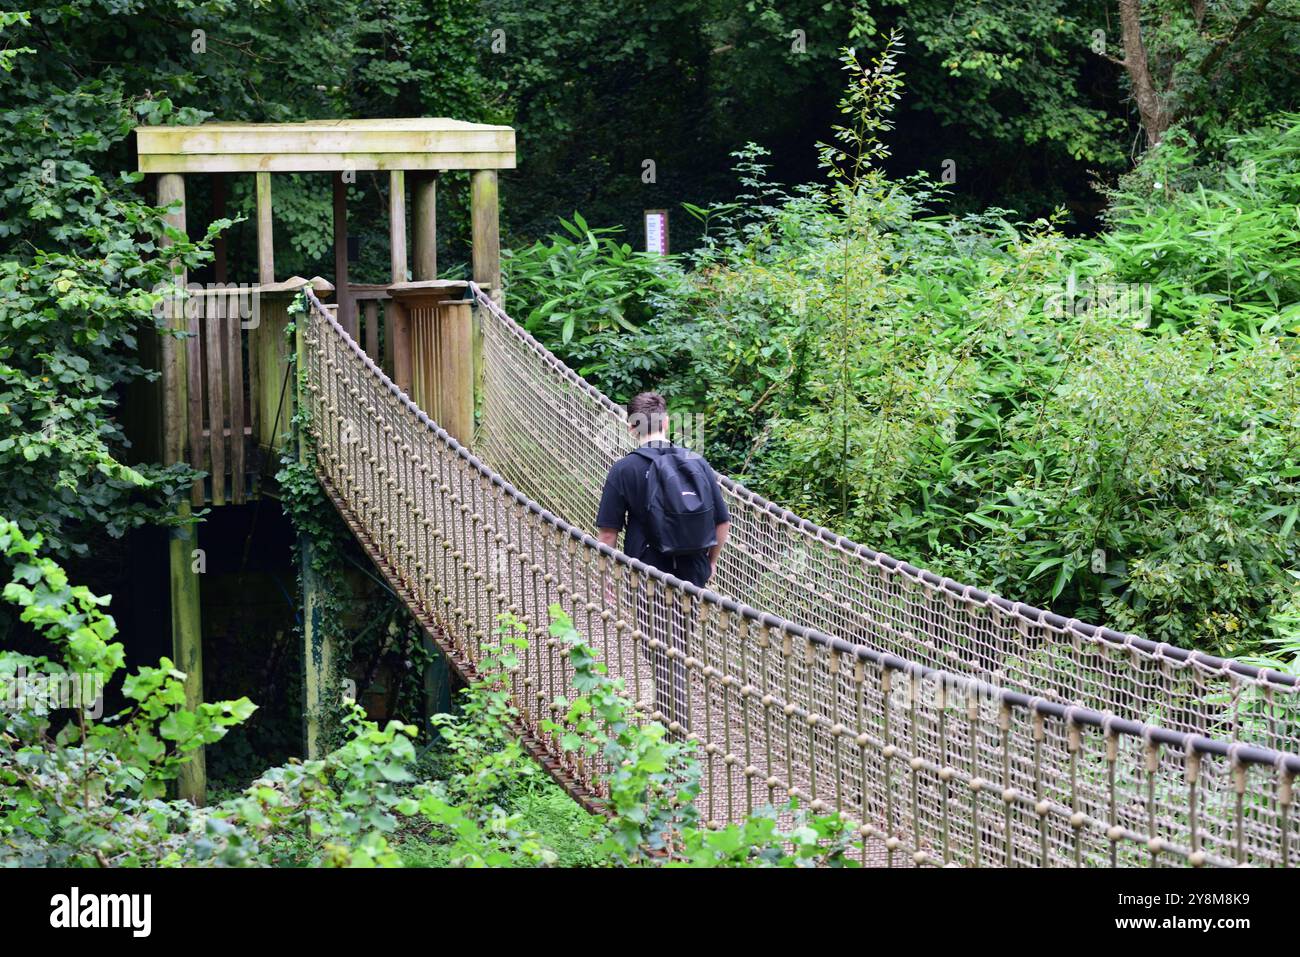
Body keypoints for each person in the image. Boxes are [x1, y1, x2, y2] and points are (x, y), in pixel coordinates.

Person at [596, 392, 730, 734]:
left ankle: (673, 729)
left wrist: (606, 580)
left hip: (647, 575)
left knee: (658, 650)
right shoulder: (696, 463)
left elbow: (608, 535)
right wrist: (710, 564)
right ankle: (674, 726)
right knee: (678, 647)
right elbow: (721, 523)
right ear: (667, 422)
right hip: (691, 573)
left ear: (631, 427)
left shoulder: (624, 468)